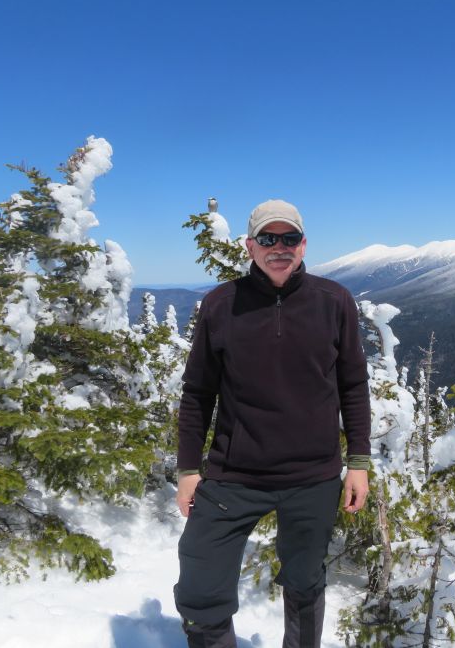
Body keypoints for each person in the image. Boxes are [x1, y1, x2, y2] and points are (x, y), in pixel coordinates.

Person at [173, 199, 372, 648]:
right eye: (268, 238)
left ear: (303, 245)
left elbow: (353, 386)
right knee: (200, 586)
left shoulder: (334, 301)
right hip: (234, 474)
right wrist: (188, 469)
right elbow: (198, 393)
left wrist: (358, 460)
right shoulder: (221, 304)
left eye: (288, 239)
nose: (278, 247)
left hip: (313, 476)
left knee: (304, 583)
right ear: (250, 245)